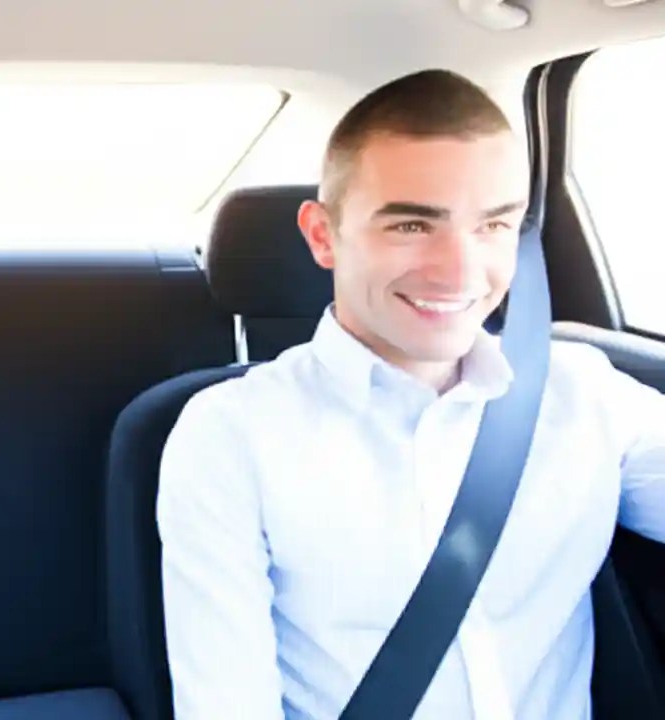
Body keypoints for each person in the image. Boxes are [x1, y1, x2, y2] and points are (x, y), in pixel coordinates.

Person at [157, 69, 665, 719]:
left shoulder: (589, 397)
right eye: (412, 227)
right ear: (322, 235)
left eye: (492, 226)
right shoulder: (230, 436)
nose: (459, 270)